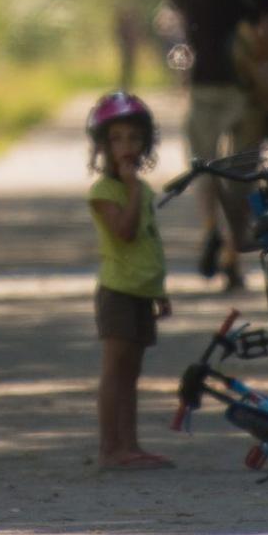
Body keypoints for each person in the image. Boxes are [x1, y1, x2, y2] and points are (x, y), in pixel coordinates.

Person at [170, 0, 268, 289]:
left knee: (204, 166)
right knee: (243, 174)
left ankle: (210, 228)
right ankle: (233, 252)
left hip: (203, 84)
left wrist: (180, 74)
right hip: (245, 89)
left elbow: (177, 27)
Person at [85, 92, 174, 471]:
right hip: (118, 291)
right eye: (117, 139)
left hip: (142, 292)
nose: (126, 147)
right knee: (114, 369)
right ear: (103, 145)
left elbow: (149, 243)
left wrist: (159, 291)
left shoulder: (144, 190)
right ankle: (109, 447)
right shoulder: (104, 192)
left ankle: (130, 443)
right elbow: (123, 231)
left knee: (133, 371)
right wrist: (132, 188)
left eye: (134, 139)